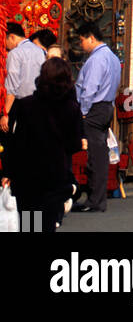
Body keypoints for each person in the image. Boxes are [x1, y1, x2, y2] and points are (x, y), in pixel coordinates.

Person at [0, 57, 83, 233]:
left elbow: (14, 142)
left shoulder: (25, 105)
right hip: (54, 176)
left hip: (27, 176)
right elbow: (74, 144)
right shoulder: (72, 109)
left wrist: (8, 171)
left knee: (31, 224)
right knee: (47, 223)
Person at [71, 22, 122, 215]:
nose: (81, 44)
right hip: (106, 107)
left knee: (95, 156)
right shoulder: (112, 58)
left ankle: (94, 200)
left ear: (91, 38)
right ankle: (97, 199)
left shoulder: (96, 59)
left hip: (94, 108)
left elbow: (89, 88)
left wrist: (82, 111)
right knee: (99, 155)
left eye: (82, 40)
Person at [2, 22, 45, 132]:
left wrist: (5, 113)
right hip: (39, 104)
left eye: (3, 40)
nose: (3, 44)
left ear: (12, 37)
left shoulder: (15, 54)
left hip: (20, 106)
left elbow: (12, 87)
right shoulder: (40, 51)